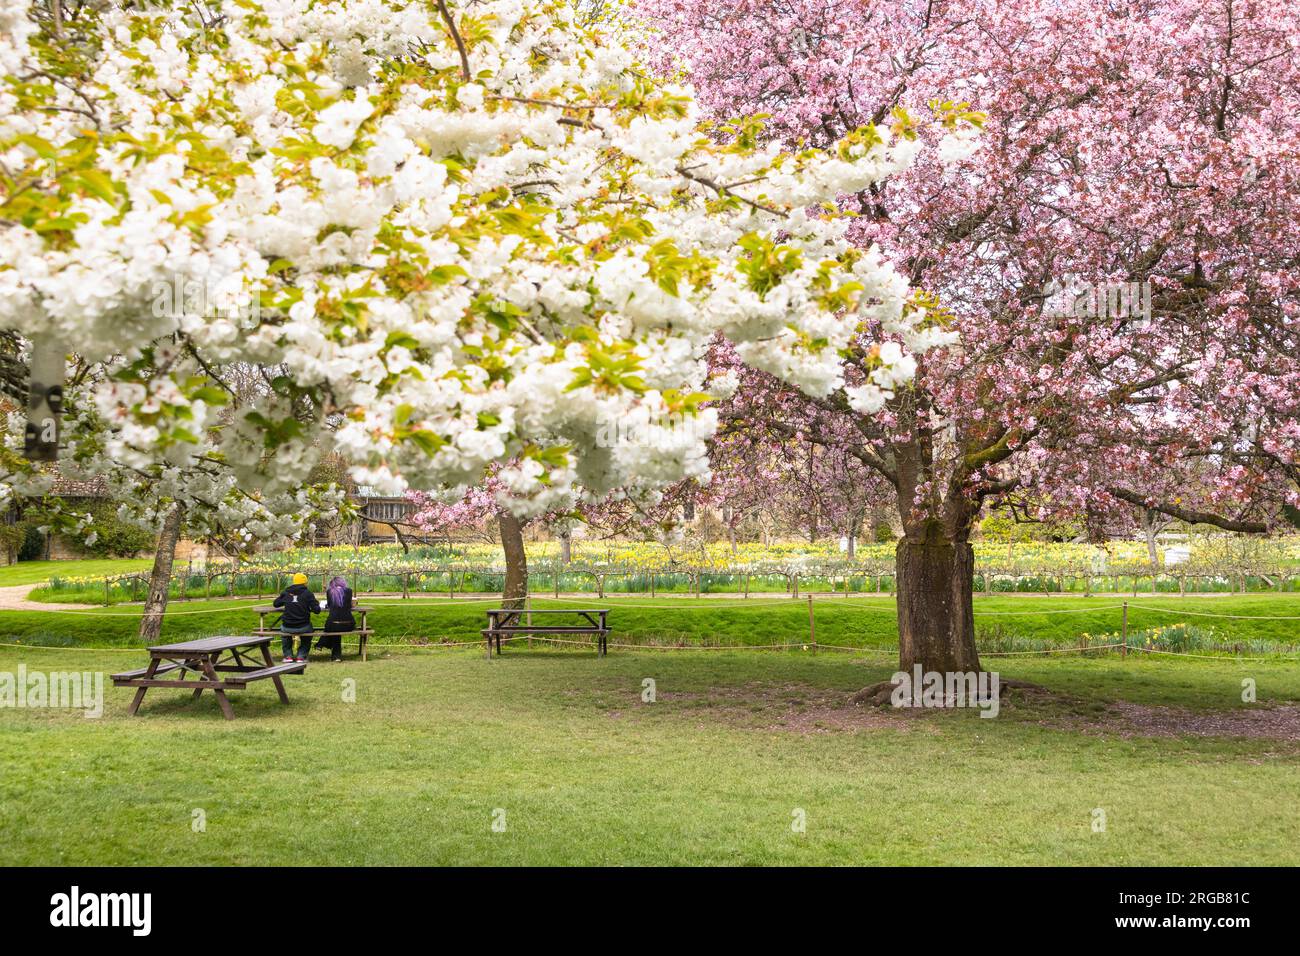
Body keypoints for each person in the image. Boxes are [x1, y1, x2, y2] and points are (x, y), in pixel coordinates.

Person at [273, 572, 320, 663]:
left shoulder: (286, 592)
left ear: (294, 582)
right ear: (305, 583)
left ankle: (288, 656)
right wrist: (315, 604)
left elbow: (276, 604)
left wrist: (285, 599)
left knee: (284, 634)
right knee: (309, 633)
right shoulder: (308, 593)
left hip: (287, 626)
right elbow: (317, 610)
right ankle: (301, 656)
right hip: (304, 627)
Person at [318, 575, 355, 663]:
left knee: (332, 626)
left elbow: (330, 605)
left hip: (334, 624)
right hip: (348, 624)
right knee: (335, 628)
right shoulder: (349, 591)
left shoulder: (329, 591)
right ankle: (335, 655)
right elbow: (349, 605)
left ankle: (322, 643)